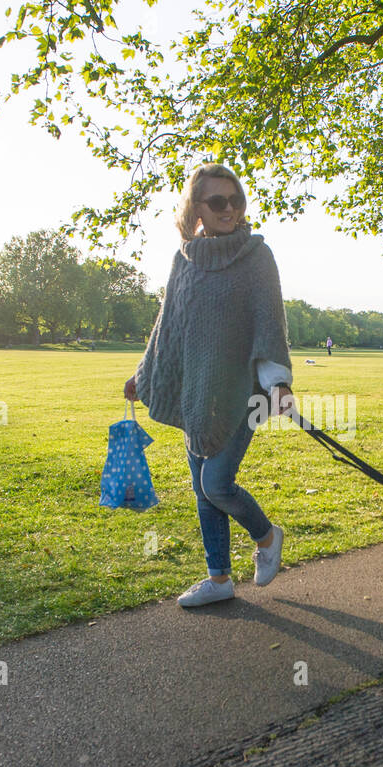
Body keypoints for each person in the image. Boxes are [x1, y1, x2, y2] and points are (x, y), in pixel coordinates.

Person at [124, 163, 293, 608]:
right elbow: (168, 326)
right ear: (196, 207)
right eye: (218, 201)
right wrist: (142, 376)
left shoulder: (257, 256)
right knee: (202, 491)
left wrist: (278, 384)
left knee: (217, 484)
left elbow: (268, 325)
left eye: (235, 200)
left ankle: (267, 536)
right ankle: (219, 579)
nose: (229, 208)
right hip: (194, 392)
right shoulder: (184, 260)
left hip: (241, 393)